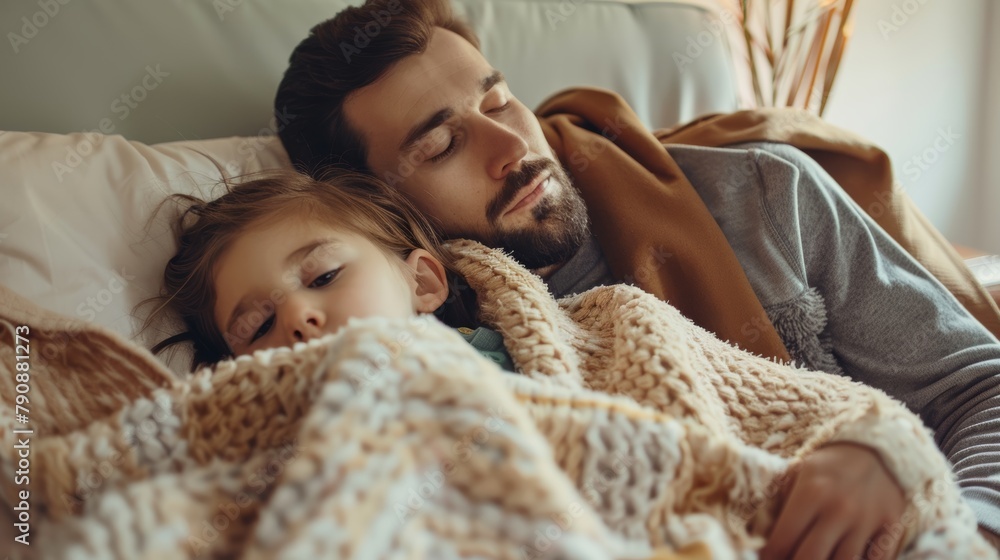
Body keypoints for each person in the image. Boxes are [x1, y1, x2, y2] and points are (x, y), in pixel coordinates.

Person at [270, 0, 1000, 552]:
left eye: (497, 101)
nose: (510, 146)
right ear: (377, 205)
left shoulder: (764, 196)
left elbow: (976, 387)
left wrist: (963, 526)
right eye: (440, 145)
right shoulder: (410, 340)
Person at [151, 167, 996, 559]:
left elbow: (819, 409)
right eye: (255, 325)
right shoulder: (271, 457)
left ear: (424, 281)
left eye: (325, 276)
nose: (298, 317)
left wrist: (874, 447)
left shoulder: (618, 329)